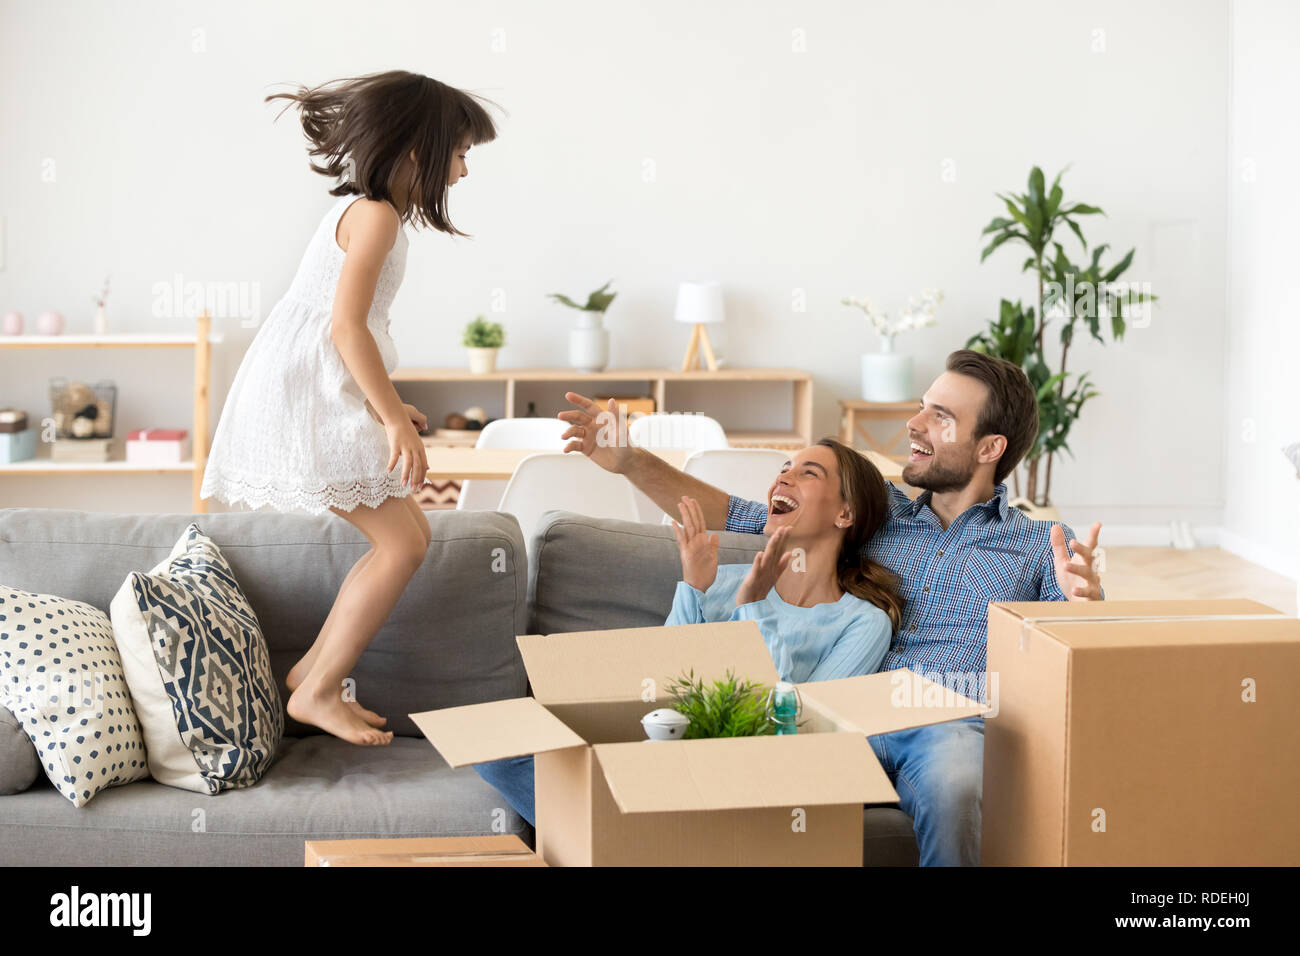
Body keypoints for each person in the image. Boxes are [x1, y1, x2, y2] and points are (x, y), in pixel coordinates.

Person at [553, 349, 1103, 865]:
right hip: (838, 712)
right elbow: (742, 514)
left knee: (956, 773)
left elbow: (1079, 665)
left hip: (943, 725)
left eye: (940, 417)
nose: (913, 425)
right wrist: (629, 461)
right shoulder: (876, 510)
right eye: (920, 409)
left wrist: (1086, 606)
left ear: (989, 449)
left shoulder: (1040, 544)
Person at [199, 71, 499, 745]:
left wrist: (385, 405)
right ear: (419, 150)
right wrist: (388, 416)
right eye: (460, 151)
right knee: (401, 543)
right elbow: (344, 328)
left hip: (312, 391)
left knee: (407, 539)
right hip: (301, 398)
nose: (464, 169)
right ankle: (322, 686)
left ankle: (311, 674)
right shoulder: (376, 217)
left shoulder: (366, 214)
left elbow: (339, 337)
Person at [473, 439, 906, 824]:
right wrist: (694, 587)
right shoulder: (722, 579)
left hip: (744, 772)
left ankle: (621, 837)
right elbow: (664, 682)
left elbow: (799, 728)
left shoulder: (862, 620)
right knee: (496, 746)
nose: (783, 478)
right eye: (783, 470)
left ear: (845, 513)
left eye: (807, 473)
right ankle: (626, 837)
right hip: (667, 751)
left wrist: (754, 610)